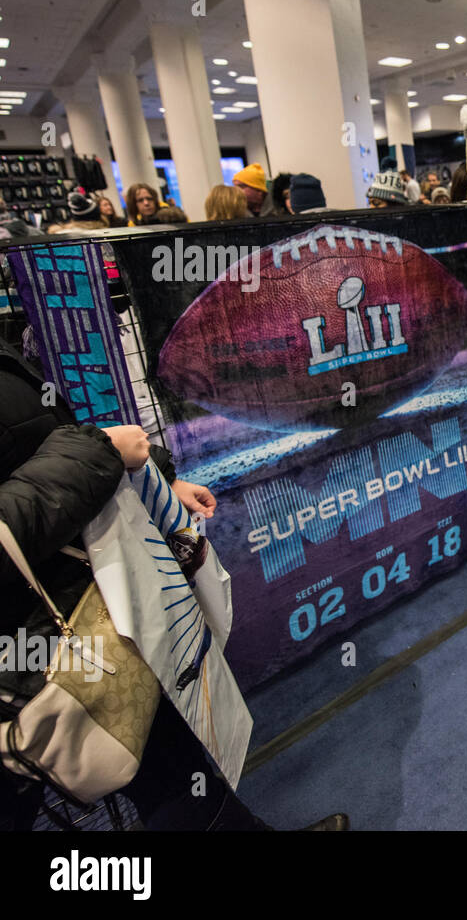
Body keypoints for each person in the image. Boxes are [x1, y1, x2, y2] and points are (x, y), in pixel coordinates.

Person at [0, 338, 349, 831]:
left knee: (171, 766)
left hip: (86, 616)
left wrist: (146, 479)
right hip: (32, 658)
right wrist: (99, 454)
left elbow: (37, 450)